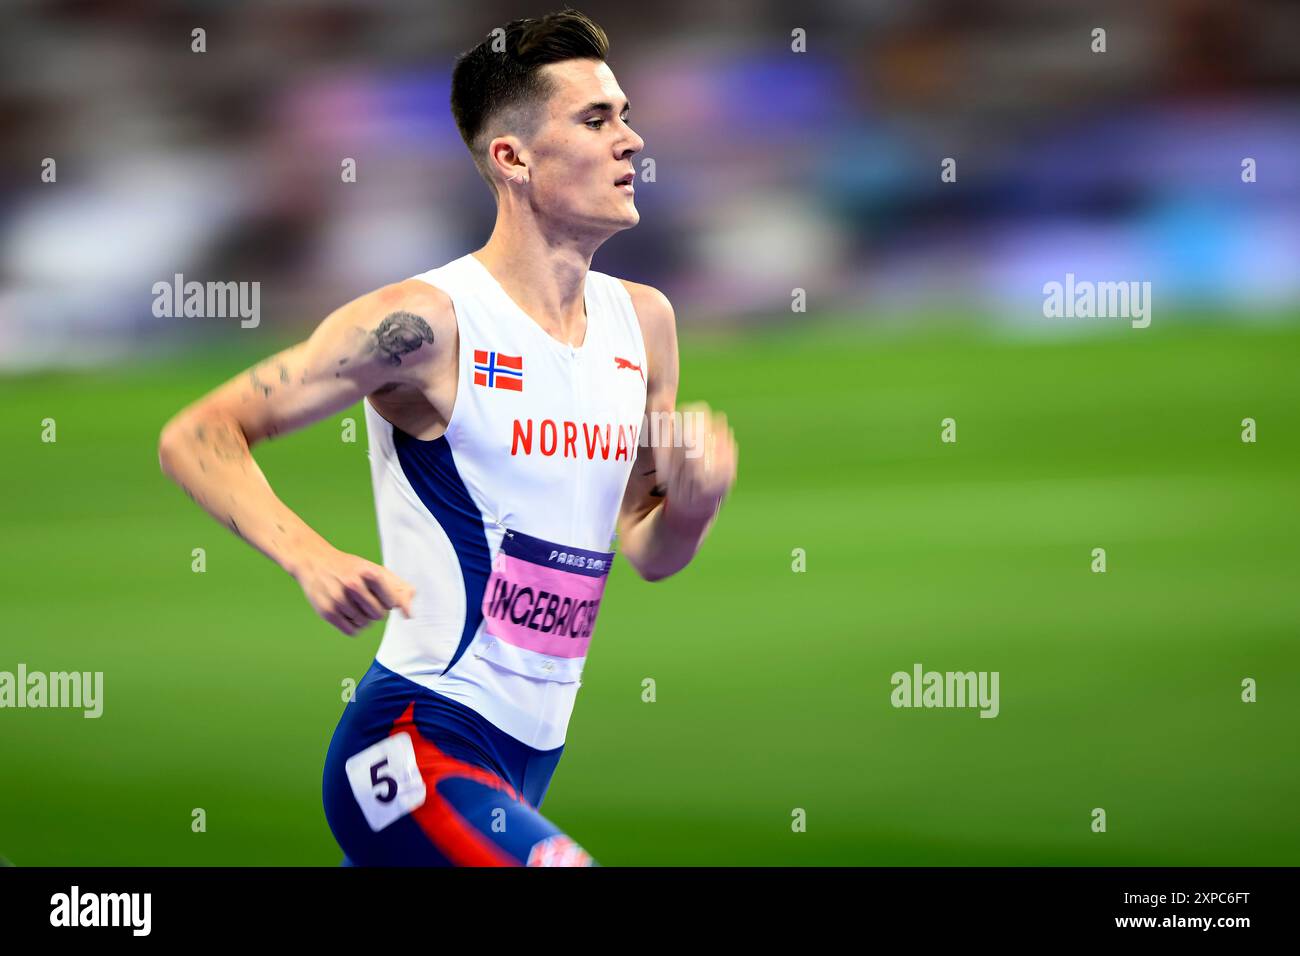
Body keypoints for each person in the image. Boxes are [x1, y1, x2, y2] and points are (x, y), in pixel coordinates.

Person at [157, 8, 738, 866]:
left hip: (529, 757)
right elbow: (199, 432)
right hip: (415, 739)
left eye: (624, 114)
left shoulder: (644, 323)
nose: (633, 140)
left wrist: (694, 505)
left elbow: (648, 550)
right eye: (597, 119)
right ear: (513, 157)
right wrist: (309, 556)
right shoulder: (425, 323)